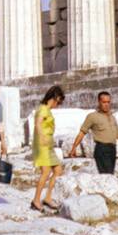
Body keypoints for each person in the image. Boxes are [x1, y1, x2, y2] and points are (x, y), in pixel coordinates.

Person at [68, 91, 118, 175]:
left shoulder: (112, 118)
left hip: (112, 149)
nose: (106, 104)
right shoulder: (92, 116)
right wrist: (73, 148)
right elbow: (82, 133)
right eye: (104, 102)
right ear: (99, 102)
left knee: (110, 174)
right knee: (106, 175)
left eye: (108, 102)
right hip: (101, 149)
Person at [31, 85, 66, 213]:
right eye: (59, 101)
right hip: (42, 145)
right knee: (45, 172)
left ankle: (48, 197)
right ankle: (36, 200)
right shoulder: (43, 109)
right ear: (55, 98)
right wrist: (42, 137)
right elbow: (37, 124)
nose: (59, 104)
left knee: (58, 170)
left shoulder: (48, 110)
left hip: (48, 146)